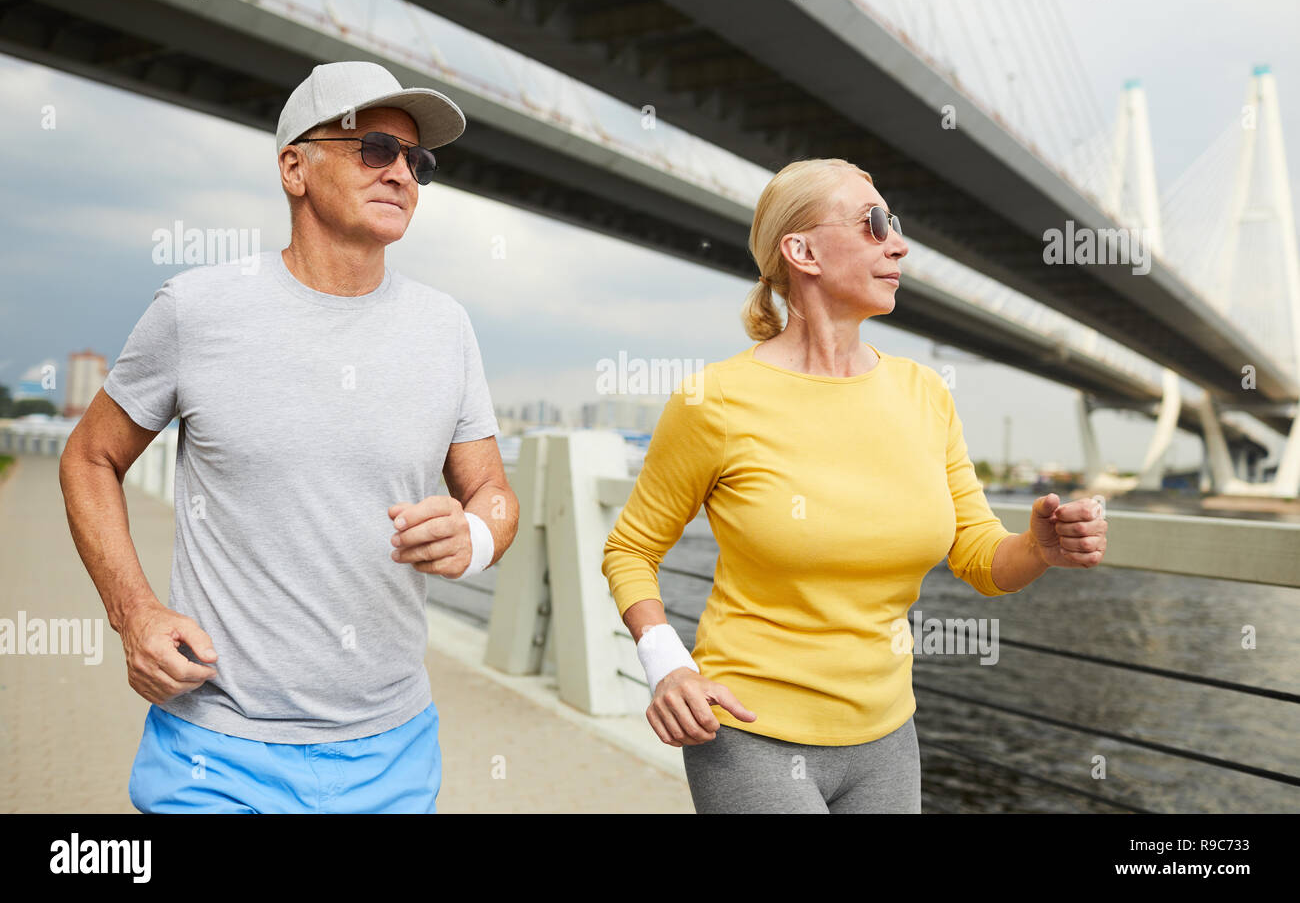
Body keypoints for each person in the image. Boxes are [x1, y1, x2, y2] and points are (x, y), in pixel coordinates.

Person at [59, 61, 518, 813]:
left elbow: (495, 495)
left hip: (391, 750)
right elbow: (89, 457)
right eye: (375, 147)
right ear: (294, 168)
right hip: (215, 748)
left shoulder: (446, 328)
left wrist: (472, 536)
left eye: (418, 160)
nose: (402, 171)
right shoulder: (196, 310)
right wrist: (134, 611)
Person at [602, 158, 1108, 813]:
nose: (897, 242)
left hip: (889, 740)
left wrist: (1039, 548)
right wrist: (666, 664)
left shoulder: (926, 393)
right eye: (873, 223)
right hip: (749, 728)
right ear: (801, 250)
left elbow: (981, 559)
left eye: (893, 225)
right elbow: (631, 551)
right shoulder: (715, 400)